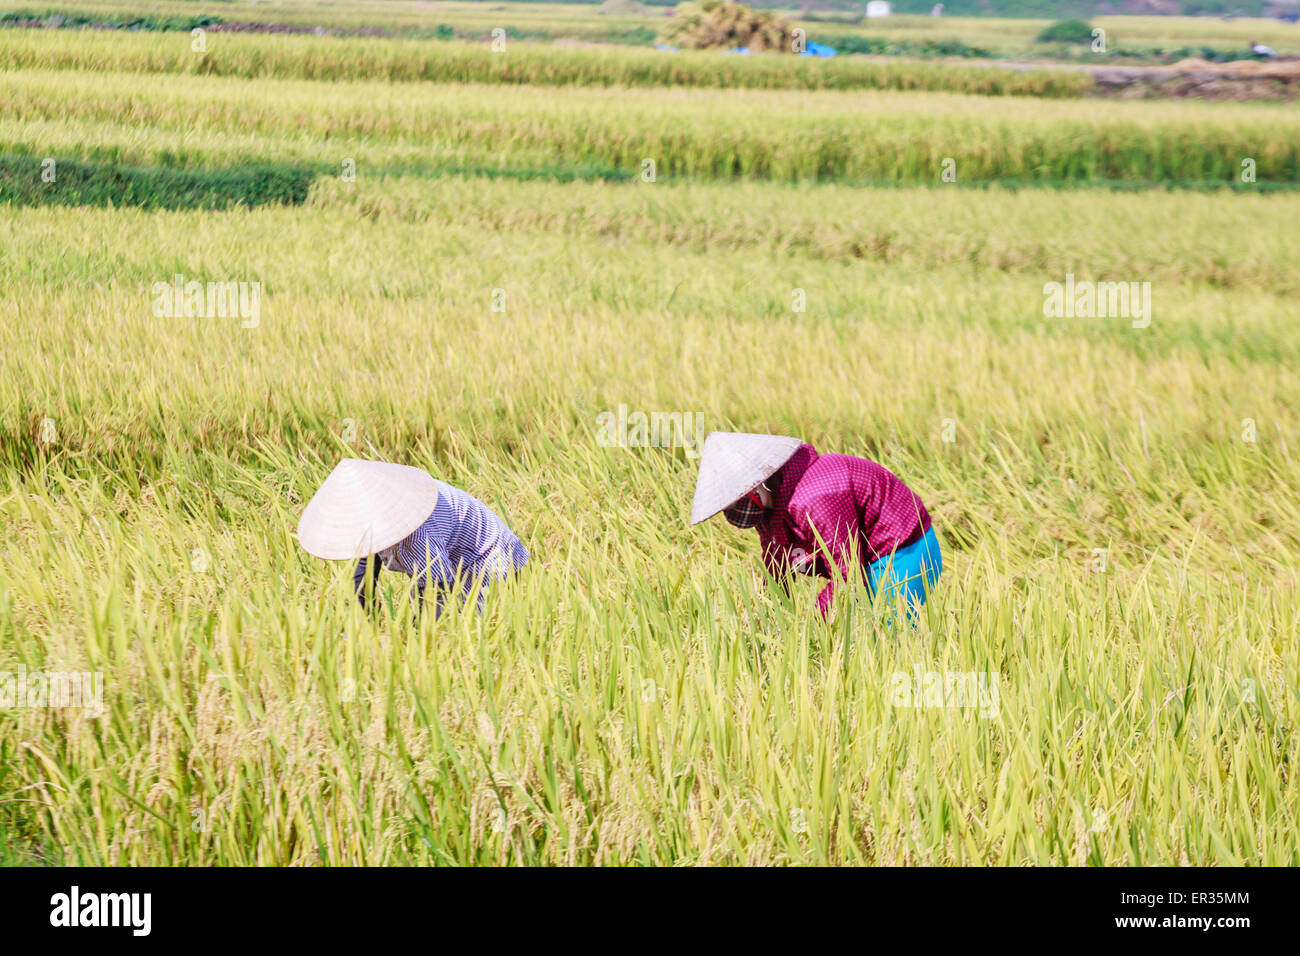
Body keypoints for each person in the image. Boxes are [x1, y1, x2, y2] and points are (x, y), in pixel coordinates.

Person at [690, 432, 940, 619]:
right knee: (854, 638)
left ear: (757, 483)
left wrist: (811, 622)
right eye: (727, 508)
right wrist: (767, 615)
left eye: (737, 501)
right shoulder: (769, 506)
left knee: (888, 640)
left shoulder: (815, 498)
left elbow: (849, 575)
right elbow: (777, 564)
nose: (735, 512)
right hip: (866, 559)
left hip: (902, 551)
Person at [297, 458, 528, 616]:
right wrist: (367, 618)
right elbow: (364, 572)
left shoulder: (415, 535)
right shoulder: (372, 520)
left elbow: (435, 591)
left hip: (489, 558)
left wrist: (420, 641)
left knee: (471, 629)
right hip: (453, 561)